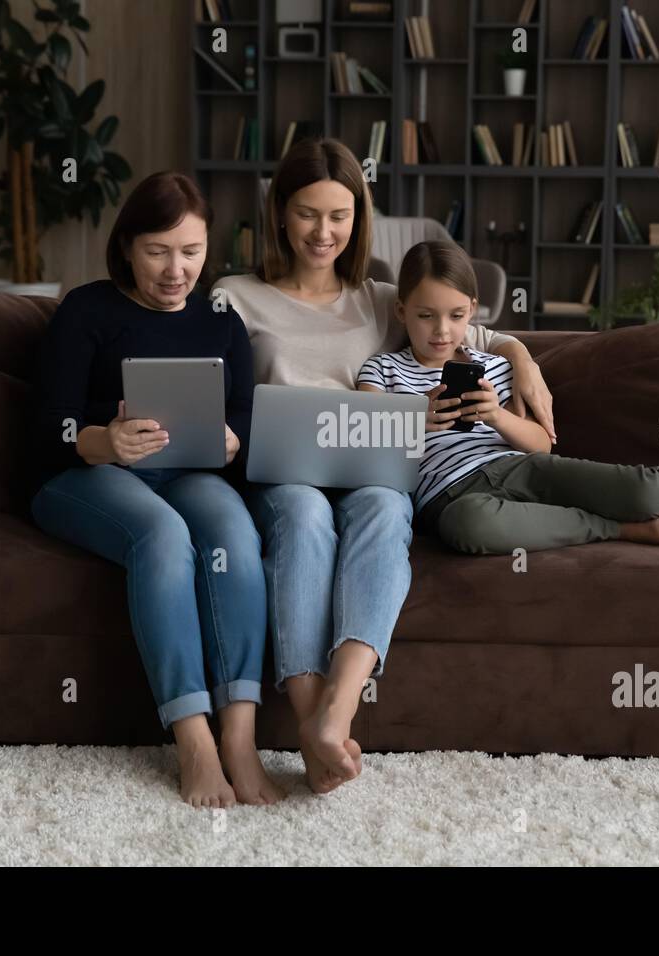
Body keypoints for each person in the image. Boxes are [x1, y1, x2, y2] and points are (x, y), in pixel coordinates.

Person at [212, 137, 558, 794]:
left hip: (371, 467)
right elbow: (216, 389)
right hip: (286, 473)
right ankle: (314, 720)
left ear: (358, 217)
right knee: (308, 516)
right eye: (309, 213)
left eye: (339, 215)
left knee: (383, 507)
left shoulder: (379, 298)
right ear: (280, 212)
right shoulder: (236, 296)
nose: (324, 232)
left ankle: (337, 710)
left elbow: (477, 330)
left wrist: (526, 362)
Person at [30, 172, 282, 809]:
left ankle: (241, 737)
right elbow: (45, 425)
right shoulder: (87, 309)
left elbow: (249, 412)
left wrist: (234, 439)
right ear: (127, 247)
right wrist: (101, 441)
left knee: (233, 534)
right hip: (86, 474)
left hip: (192, 471)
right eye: (158, 251)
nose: (177, 270)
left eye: (192, 252)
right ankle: (193, 739)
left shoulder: (222, 321)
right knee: (164, 536)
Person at [357, 240, 659, 554]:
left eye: (456, 316)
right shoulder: (382, 369)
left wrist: (497, 416)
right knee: (471, 527)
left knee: (653, 489)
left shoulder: (493, 364)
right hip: (449, 496)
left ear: (473, 310)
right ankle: (619, 528)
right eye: (426, 316)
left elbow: (542, 446)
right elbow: (364, 440)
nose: (442, 330)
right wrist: (412, 416)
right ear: (402, 311)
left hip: (520, 468)